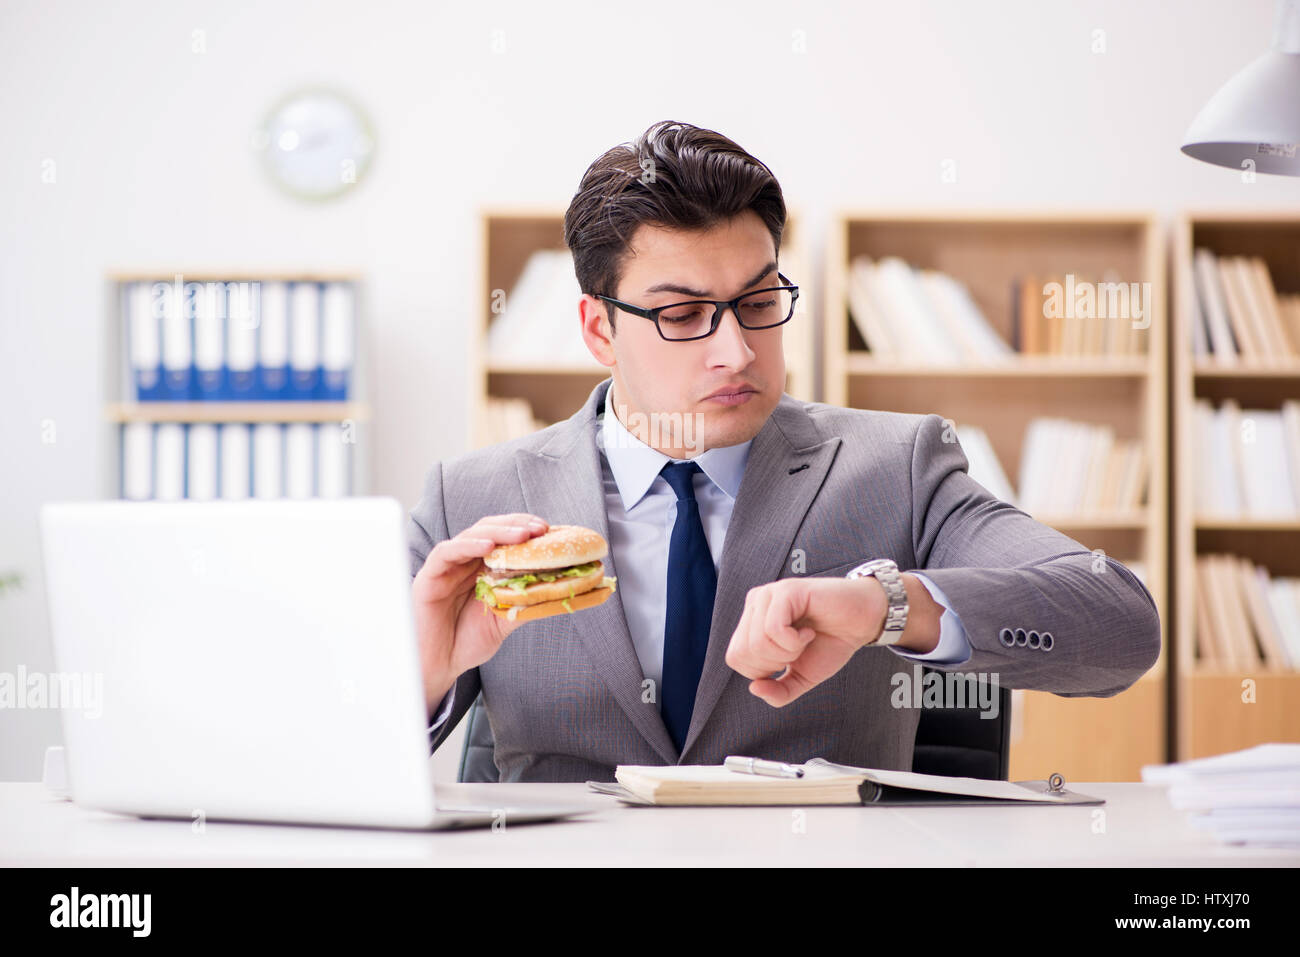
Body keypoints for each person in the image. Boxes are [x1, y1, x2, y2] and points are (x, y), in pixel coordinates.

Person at [407, 119, 1161, 782]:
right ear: (599, 329)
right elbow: (315, 756)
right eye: (683, 314)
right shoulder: (469, 501)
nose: (736, 351)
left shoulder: (895, 465)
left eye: (760, 303)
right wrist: (420, 676)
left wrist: (888, 606)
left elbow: (1121, 625)